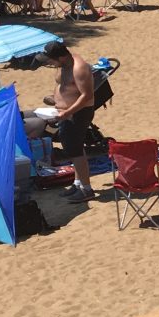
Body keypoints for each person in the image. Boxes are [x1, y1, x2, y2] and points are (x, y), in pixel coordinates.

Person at [44, 41, 98, 202]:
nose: (49, 63)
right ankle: (77, 183)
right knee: (74, 150)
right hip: (65, 113)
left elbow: (86, 95)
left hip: (77, 114)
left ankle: (87, 190)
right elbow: (64, 86)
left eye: (51, 60)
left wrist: (67, 112)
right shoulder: (63, 65)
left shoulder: (79, 68)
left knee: (76, 151)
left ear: (61, 57)